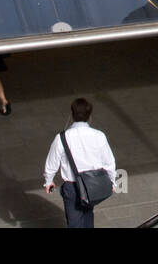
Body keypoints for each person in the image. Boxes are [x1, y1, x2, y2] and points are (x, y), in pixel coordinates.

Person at [43, 97, 116, 228]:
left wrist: (49, 181)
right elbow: (109, 162)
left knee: (74, 223)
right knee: (88, 216)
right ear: (90, 116)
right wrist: (112, 181)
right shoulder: (99, 135)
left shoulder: (62, 137)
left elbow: (52, 162)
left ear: (72, 114)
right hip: (94, 184)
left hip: (72, 187)